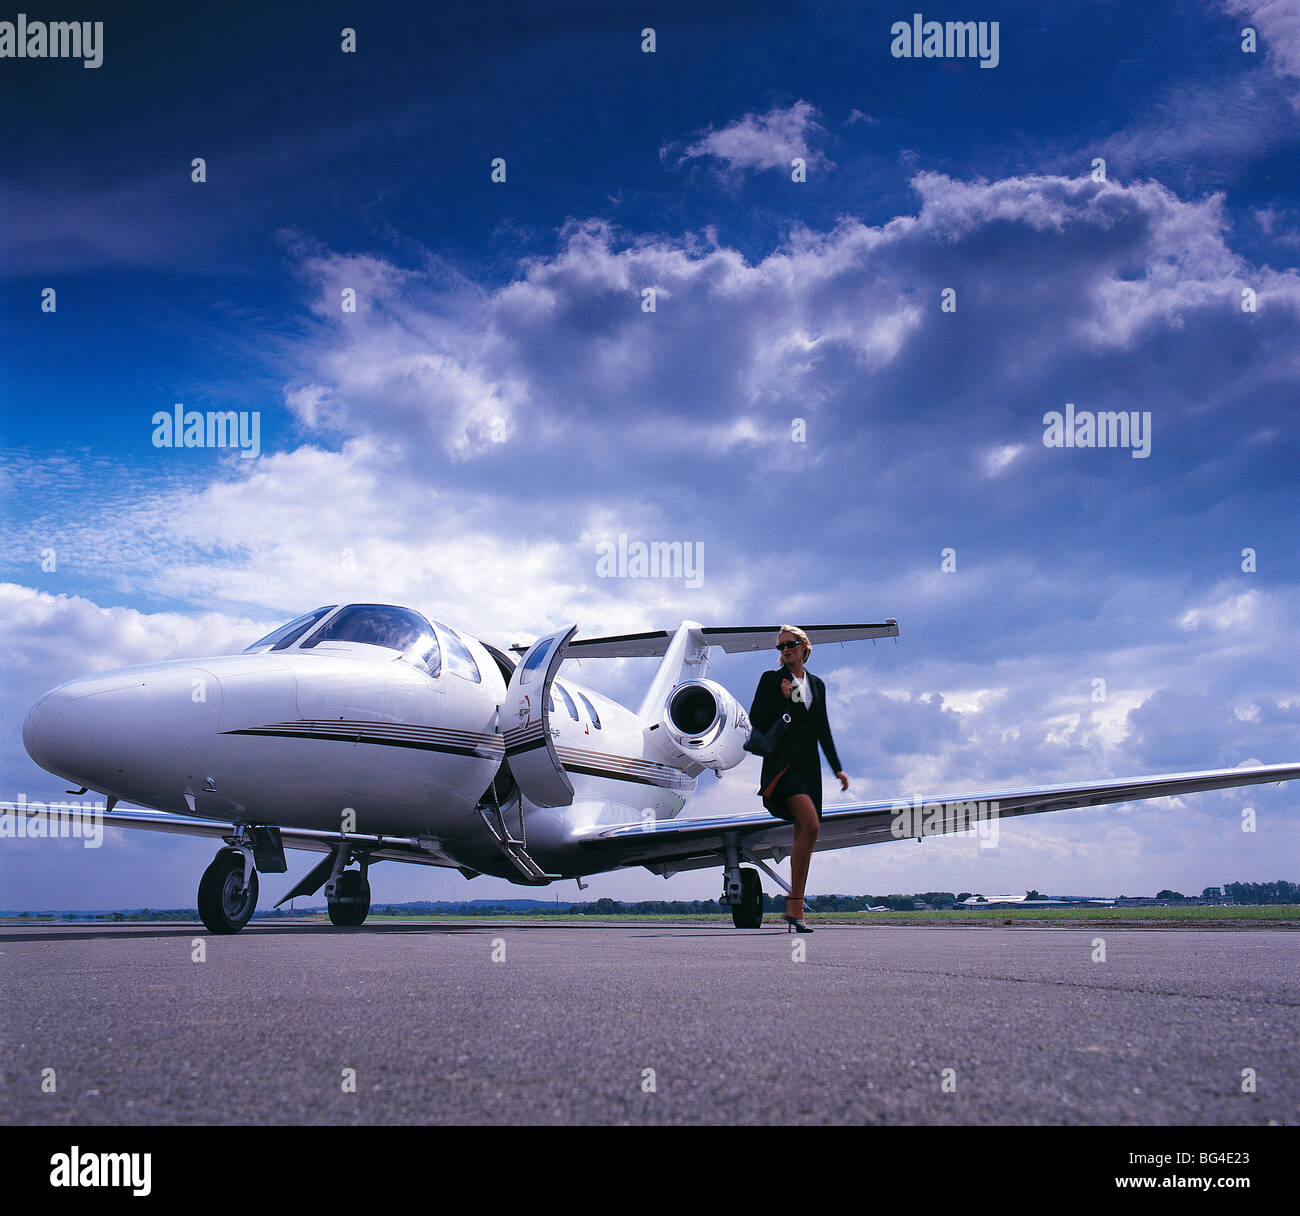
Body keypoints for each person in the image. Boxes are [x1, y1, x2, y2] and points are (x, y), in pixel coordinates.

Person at [748, 625, 849, 932]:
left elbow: (823, 728)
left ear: (805, 646)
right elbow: (756, 720)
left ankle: (797, 912)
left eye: (790, 644)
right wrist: (784, 702)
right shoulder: (770, 679)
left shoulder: (817, 684)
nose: (785, 650)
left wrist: (837, 768)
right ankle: (794, 904)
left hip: (810, 768)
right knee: (811, 825)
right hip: (783, 765)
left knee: (803, 834)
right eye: (780, 647)